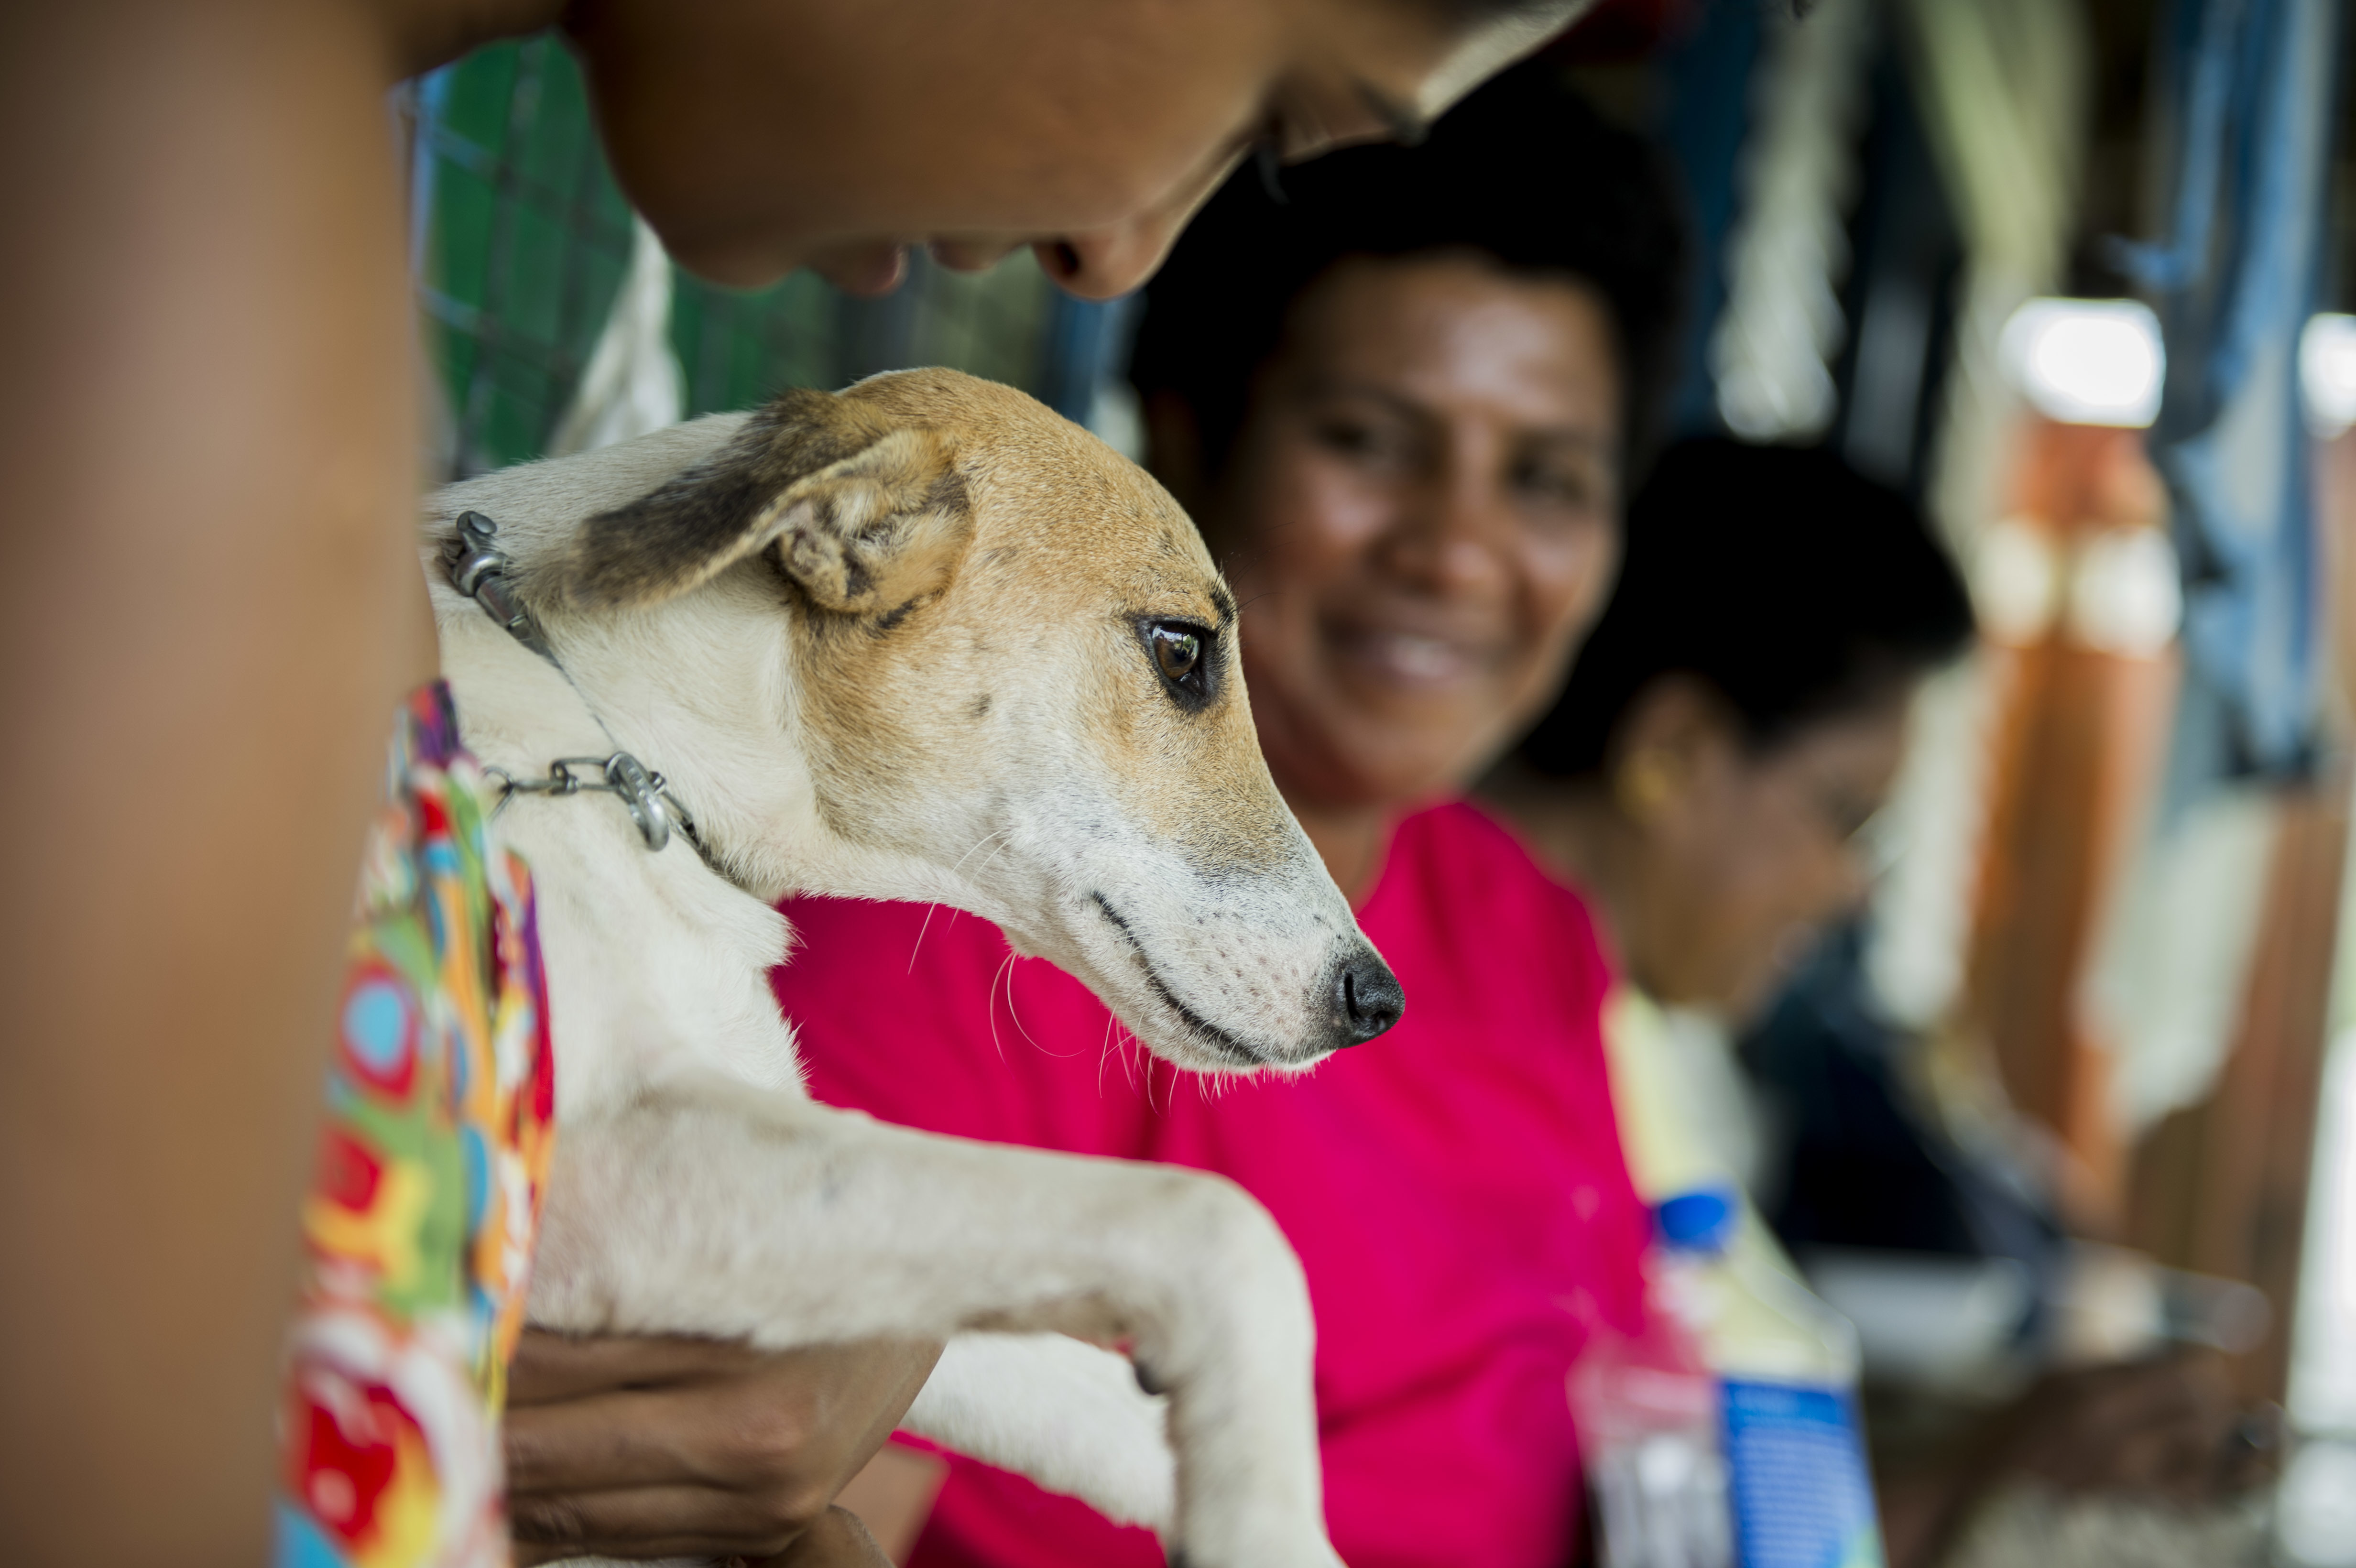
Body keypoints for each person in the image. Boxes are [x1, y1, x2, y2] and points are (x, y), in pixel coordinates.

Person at [0, 0, 1592, 1561]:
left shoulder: (545, 763)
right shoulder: (163, 141)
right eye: (1256, 113)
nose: (1114, 256)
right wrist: (1203, 1276)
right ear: (836, 535)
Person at [768, 64, 1689, 1567]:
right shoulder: (975, 924)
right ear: (1186, 439)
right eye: (1370, 442)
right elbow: (798, 1521)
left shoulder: (1522, 928)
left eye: (1545, 480)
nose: (1458, 554)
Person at [1492, 438, 2265, 1568]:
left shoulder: (1620, 1036)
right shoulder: (1464, 1042)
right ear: (1675, 752)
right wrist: (1992, 1464)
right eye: (1841, 813)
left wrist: (2000, 1452)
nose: (1852, 887)